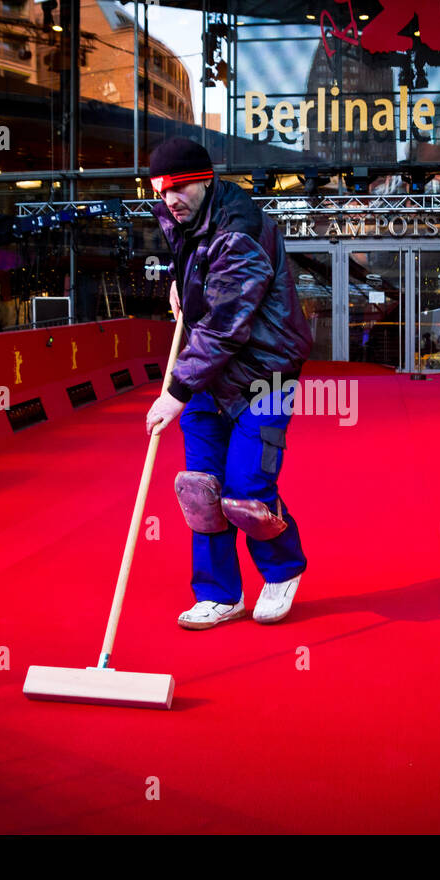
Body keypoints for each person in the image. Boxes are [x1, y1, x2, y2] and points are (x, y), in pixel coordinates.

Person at [143, 137, 313, 629]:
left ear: (206, 179)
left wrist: (175, 392)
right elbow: (200, 271)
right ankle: (220, 593)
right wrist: (183, 282)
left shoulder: (242, 229)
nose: (168, 198)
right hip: (207, 377)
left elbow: (224, 324)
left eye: (177, 187)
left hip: (262, 374)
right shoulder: (182, 217)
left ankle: (282, 569)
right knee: (201, 490)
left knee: (247, 490)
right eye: (159, 188)